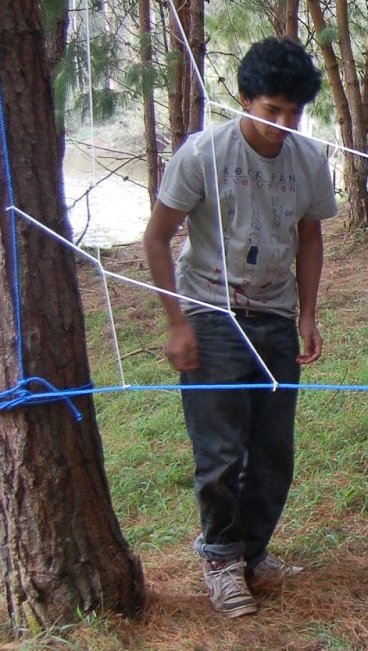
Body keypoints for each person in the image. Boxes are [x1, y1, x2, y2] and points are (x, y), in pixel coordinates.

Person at [142, 36, 338, 618]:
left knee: (273, 449)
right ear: (244, 99)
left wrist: (306, 313)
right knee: (221, 450)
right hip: (210, 309)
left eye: (294, 113)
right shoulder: (204, 153)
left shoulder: (307, 159)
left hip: (275, 313)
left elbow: (309, 236)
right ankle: (221, 560)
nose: (283, 123)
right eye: (271, 110)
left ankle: (253, 552)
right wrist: (176, 321)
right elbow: (156, 238)